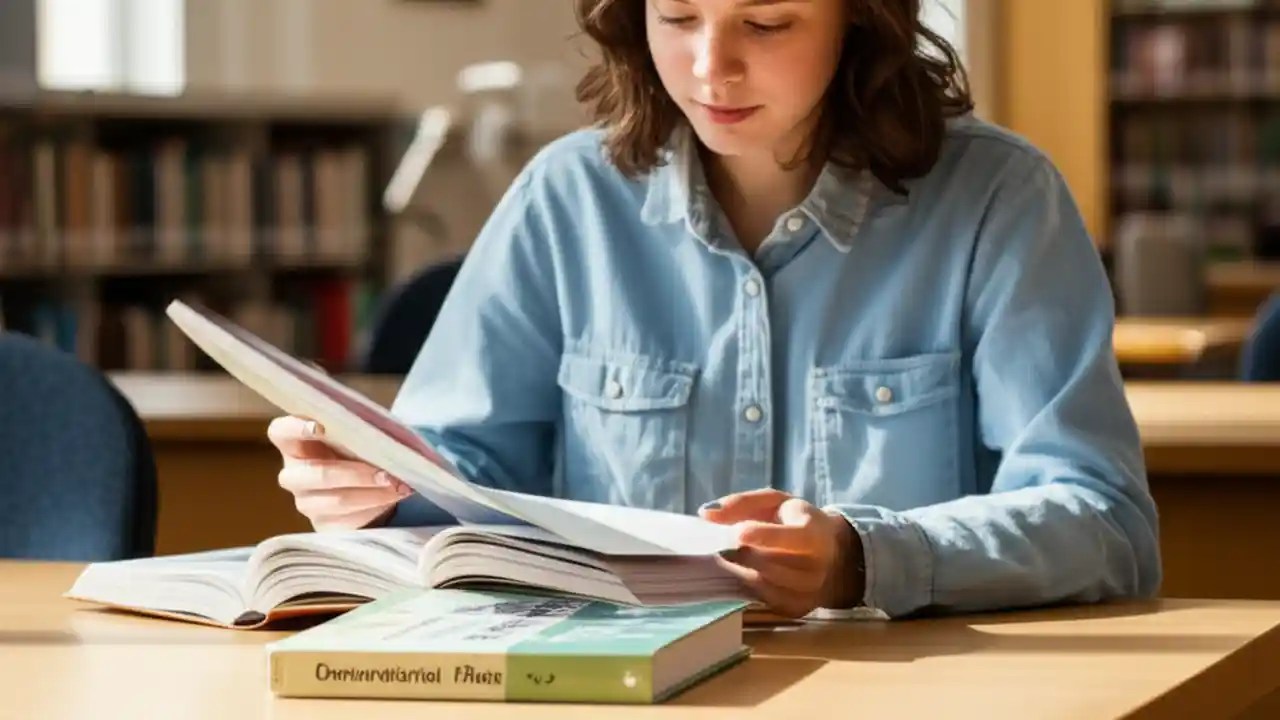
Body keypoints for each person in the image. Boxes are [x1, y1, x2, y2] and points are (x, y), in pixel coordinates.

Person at [269, 0, 1161, 620]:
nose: (710, 67)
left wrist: (862, 557)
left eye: (766, 24)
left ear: (860, 18)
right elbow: (466, 477)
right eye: (678, 19)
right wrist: (378, 489)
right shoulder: (565, 199)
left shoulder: (1000, 199)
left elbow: (1103, 525)